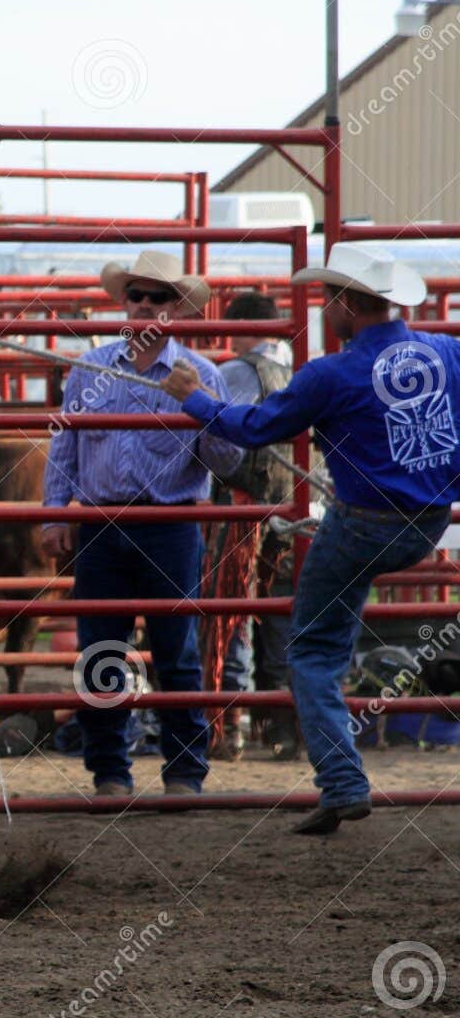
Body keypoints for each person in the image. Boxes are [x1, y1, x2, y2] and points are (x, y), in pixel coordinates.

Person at [165, 243, 460, 835]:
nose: (325, 309)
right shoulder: (449, 351)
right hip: (428, 521)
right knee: (324, 639)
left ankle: (342, 781)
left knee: (313, 652)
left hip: (361, 524)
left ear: (349, 304)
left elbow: (256, 427)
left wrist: (191, 396)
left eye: (330, 299)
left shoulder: (331, 373)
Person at [41, 250, 243, 797]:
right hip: (102, 526)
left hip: (171, 524)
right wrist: (53, 513)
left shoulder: (200, 376)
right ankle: (109, 771)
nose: (147, 305)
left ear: (176, 308)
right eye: (138, 295)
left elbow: (228, 462)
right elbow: (66, 446)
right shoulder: (90, 369)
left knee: (176, 650)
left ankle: (183, 772)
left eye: (159, 297)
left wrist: (200, 405)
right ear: (125, 303)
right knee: (100, 650)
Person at [206, 292, 297, 760]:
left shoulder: (237, 373)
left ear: (242, 325)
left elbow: (226, 441)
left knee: (233, 615)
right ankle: (280, 726)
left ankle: (230, 726)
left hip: (243, 510)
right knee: (280, 616)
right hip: (291, 510)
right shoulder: (299, 373)